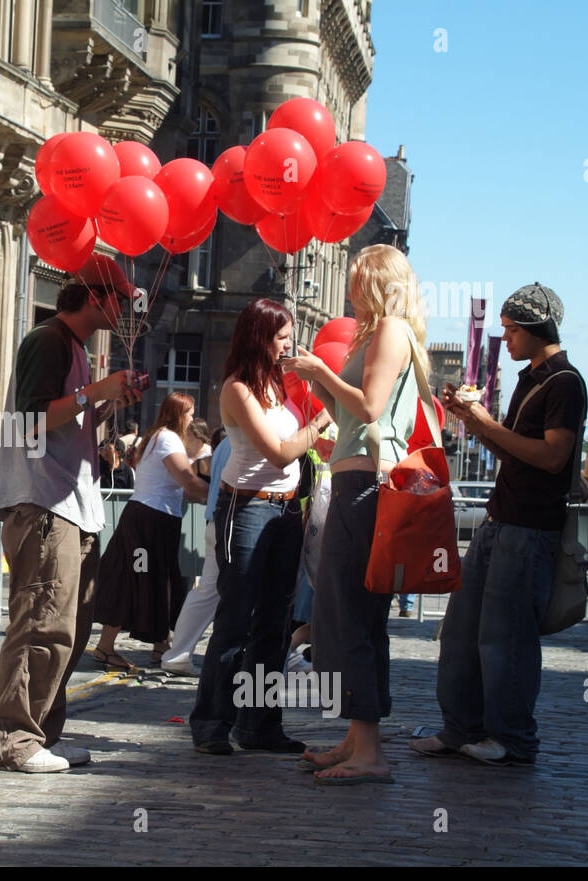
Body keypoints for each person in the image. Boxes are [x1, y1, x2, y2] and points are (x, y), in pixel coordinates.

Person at [411, 282, 585, 767]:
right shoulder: (531, 378)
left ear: (534, 328)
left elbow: (552, 457)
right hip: (499, 521)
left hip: (529, 529)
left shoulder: (565, 382)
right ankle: (460, 728)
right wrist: (471, 418)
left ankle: (512, 738)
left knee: (505, 638)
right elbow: (510, 450)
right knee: (463, 631)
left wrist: (483, 422)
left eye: (511, 330)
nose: (505, 338)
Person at [0, 254, 143, 773]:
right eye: (119, 299)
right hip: (45, 502)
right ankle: (13, 741)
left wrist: (102, 405)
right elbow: (29, 421)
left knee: (66, 628)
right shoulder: (48, 340)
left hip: (70, 504)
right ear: (97, 297)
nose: (124, 310)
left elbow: (64, 422)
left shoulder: (70, 345)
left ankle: (40, 735)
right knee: (43, 625)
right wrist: (95, 392)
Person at [281, 244, 427, 782]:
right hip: (355, 478)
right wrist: (317, 378)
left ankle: (369, 752)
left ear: (380, 282)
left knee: (349, 615)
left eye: (358, 279)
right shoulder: (376, 331)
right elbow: (351, 409)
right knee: (350, 615)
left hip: (365, 484)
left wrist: (321, 367)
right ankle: (358, 739)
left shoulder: (389, 330)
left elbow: (368, 408)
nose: (349, 290)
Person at [191, 299, 330, 757]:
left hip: (287, 510)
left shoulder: (276, 383)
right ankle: (212, 721)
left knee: (274, 623)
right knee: (236, 618)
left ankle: (259, 724)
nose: (289, 345)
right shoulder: (237, 388)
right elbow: (281, 453)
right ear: (259, 337)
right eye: (282, 337)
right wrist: (322, 421)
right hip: (247, 508)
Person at [91, 392, 208, 671]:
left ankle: (159, 645)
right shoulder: (167, 438)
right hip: (149, 522)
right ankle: (108, 647)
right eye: (189, 413)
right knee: (136, 578)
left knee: (153, 580)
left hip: (152, 519)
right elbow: (187, 480)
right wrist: (219, 494)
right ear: (178, 414)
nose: (192, 418)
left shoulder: (158, 437)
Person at [162, 425, 229, 677]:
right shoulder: (234, 445)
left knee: (206, 593)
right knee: (240, 593)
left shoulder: (221, 448)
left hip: (217, 521)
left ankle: (177, 654)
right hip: (229, 521)